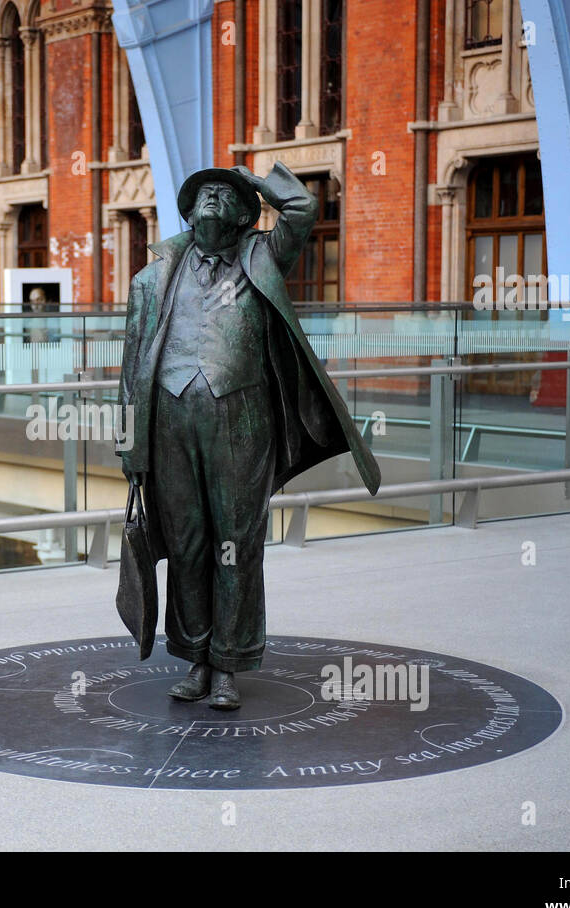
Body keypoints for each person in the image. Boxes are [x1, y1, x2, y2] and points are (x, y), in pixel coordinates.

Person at [117, 162, 381, 710]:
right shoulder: (152, 278)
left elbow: (304, 208)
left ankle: (230, 664)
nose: (213, 199)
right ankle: (194, 657)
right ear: (187, 214)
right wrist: (128, 445)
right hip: (169, 425)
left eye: (225, 195)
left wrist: (253, 181)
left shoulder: (263, 256)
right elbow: (129, 369)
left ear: (243, 216)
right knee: (188, 545)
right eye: (203, 195)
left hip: (242, 422)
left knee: (236, 544)